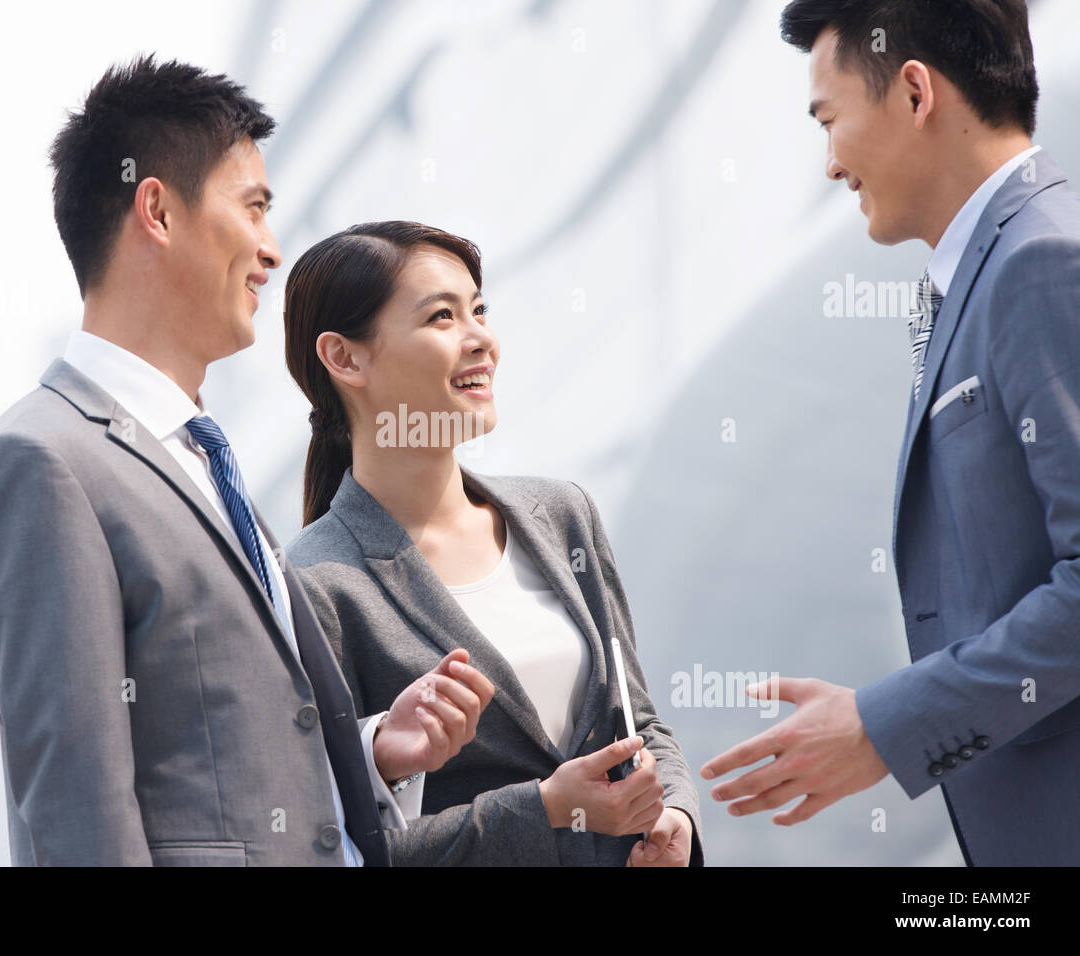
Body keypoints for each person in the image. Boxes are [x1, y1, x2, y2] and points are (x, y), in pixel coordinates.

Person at [0, 56, 493, 866]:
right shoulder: (40, 463)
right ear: (158, 210)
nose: (272, 250)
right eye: (254, 209)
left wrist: (374, 750)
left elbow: (214, 753)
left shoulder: (200, 457)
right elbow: (79, 812)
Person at [703, 0, 1080, 865]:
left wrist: (889, 724)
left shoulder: (1039, 264)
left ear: (915, 93)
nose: (830, 165)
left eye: (829, 120)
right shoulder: (992, 266)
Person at [283, 220, 704, 866]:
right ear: (345, 358)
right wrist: (546, 809)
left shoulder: (562, 516)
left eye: (479, 310)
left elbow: (640, 722)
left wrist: (674, 813)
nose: (482, 339)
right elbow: (341, 848)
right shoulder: (315, 585)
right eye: (442, 317)